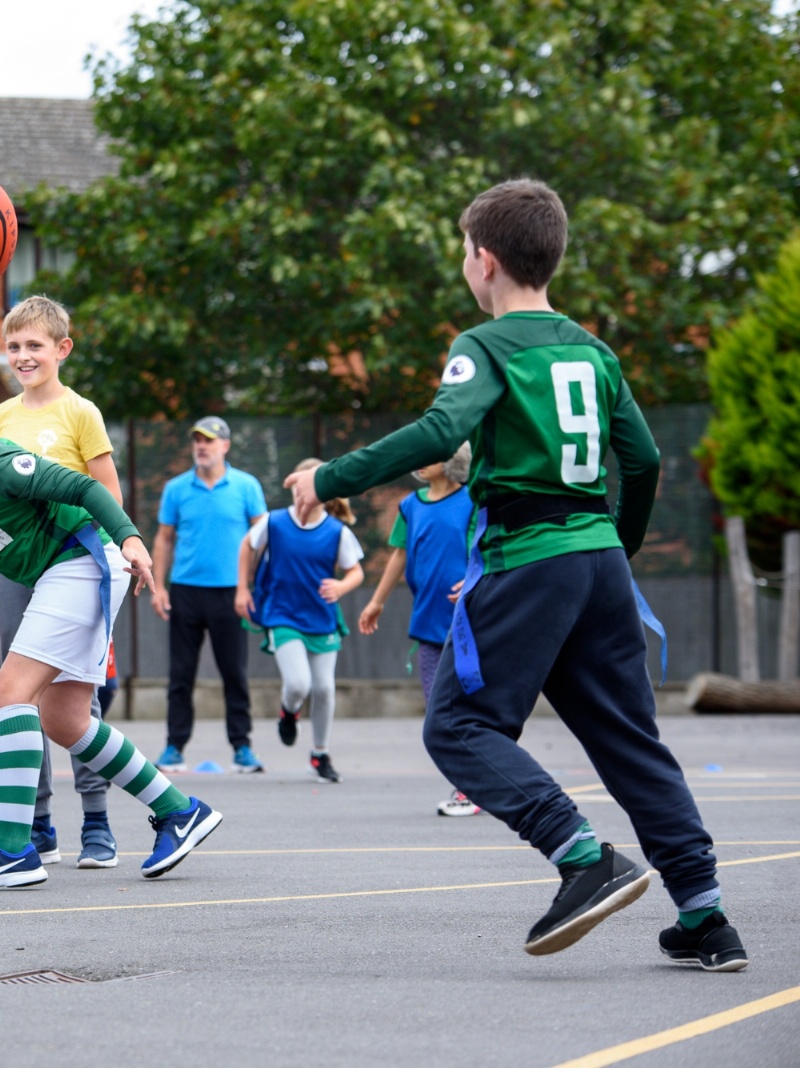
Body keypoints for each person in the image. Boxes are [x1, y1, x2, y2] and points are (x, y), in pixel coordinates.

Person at [284, 178, 746, 970]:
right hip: (597, 562)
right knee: (629, 740)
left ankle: (580, 856)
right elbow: (644, 457)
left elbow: (442, 429)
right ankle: (706, 917)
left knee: (457, 725)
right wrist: (615, 546)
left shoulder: (486, 344)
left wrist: (328, 479)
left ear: (484, 261)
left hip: (531, 559)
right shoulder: (593, 349)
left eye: (464, 250)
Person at [0, 364, 222, 890]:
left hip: (82, 559)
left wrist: (132, 540)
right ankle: (180, 811)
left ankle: (13, 851)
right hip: (58, 574)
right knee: (64, 721)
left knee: (9, 692)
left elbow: (85, 490)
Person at [0, 294, 121, 868]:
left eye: (33, 345)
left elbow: (108, 493)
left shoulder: (80, 412)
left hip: (73, 566)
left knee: (72, 696)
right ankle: (38, 824)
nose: (22, 355)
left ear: (61, 349)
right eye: (13, 346)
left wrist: (121, 555)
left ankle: (97, 820)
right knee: (21, 697)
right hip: (18, 569)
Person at [358, 444, 480, 815]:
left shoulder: (473, 499)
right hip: (428, 624)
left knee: (472, 707)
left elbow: (485, 546)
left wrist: (475, 580)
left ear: (451, 462)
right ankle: (469, 785)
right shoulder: (411, 505)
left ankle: (472, 788)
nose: (419, 459)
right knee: (438, 711)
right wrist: (377, 600)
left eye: (429, 453)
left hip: (469, 625)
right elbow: (400, 553)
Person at [150, 417, 267, 773]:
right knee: (180, 675)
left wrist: (252, 585)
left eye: (210, 441)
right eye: (197, 440)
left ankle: (242, 748)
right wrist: (159, 586)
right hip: (186, 592)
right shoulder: (177, 488)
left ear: (226, 446)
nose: (202, 446)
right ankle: (174, 747)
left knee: (235, 672)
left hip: (231, 594)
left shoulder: (246, 486)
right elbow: (164, 539)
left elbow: (262, 537)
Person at [237, 459, 364, 783]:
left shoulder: (337, 531)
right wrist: (242, 590)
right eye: (296, 487)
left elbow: (356, 571)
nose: (300, 493)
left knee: (324, 689)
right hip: (282, 615)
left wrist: (342, 585)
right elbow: (246, 545)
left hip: (321, 617)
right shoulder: (276, 522)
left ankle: (319, 755)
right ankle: (288, 711)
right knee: (298, 684)